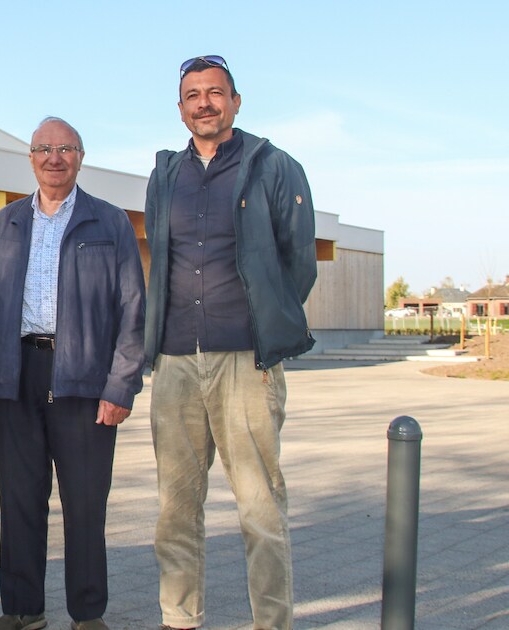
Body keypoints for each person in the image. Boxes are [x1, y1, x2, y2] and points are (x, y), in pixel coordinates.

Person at [144, 56, 316, 630]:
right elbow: (161, 258)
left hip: (245, 359)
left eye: (215, 93)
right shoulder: (165, 174)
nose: (205, 103)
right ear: (180, 108)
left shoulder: (274, 166)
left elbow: (298, 263)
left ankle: (272, 622)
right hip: (174, 361)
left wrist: (265, 324)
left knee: (260, 507)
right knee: (175, 510)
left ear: (235, 101)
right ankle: (179, 619)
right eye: (193, 95)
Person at [0, 117, 146, 630]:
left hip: (84, 379)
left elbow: (133, 309)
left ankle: (87, 614)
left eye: (65, 148)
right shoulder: (5, 223)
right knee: (19, 499)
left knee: (85, 502)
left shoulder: (109, 221)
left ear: (80, 156)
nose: (54, 158)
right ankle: (23, 610)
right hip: (15, 376)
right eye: (44, 148)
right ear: (30, 158)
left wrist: (121, 385)